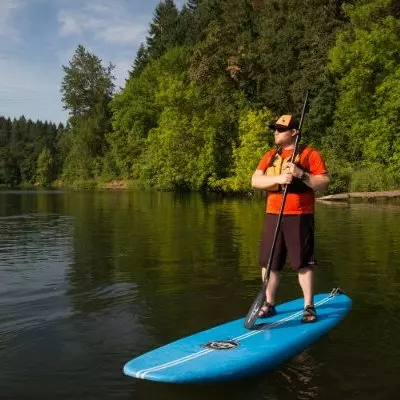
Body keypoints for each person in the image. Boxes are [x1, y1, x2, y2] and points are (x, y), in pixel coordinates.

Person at [251, 114, 329, 323]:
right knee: (269, 262)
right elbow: (255, 181)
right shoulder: (270, 156)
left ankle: (308, 306)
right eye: (275, 128)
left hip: (299, 215)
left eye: (280, 129)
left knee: (303, 262)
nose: (275, 132)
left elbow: (323, 183)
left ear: (294, 132)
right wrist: (279, 178)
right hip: (273, 214)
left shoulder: (310, 154)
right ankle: (269, 303)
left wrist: (300, 174)